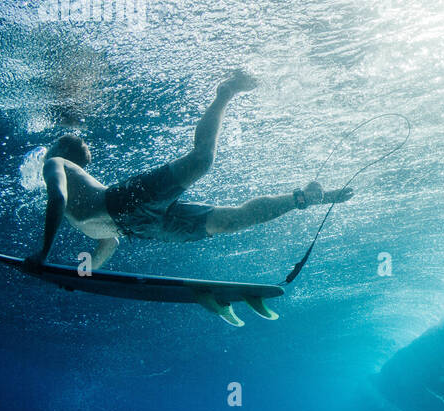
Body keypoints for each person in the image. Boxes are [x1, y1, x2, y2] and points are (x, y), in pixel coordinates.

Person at [24, 70, 352, 270]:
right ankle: (303, 198)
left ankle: (225, 93)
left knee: (202, 161)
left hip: (126, 202)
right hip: (139, 227)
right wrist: (78, 275)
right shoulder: (82, 194)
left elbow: (57, 200)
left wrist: (44, 252)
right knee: (229, 222)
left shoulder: (54, 163)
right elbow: (109, 244)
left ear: (58, 151)